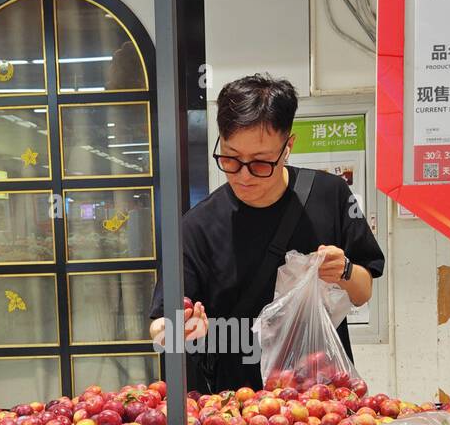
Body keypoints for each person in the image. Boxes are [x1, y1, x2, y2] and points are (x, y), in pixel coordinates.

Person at [149, 74, 384, 391]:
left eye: (260, 163)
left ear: (288, 147)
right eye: (230, 158)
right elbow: (161, 328)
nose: (243, 176)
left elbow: (363, 290)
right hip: (234, 410)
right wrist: (182, 332)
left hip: (317, 396)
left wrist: (343, 270)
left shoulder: (330, 196)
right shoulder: (196, 227)